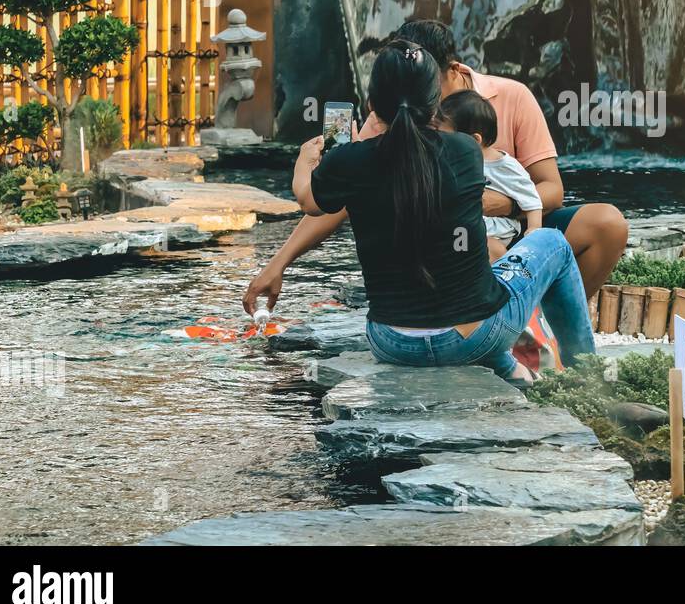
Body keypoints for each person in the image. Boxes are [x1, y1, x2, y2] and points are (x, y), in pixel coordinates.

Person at [244, 19, 628, 311]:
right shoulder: (394, 113)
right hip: (446, 244)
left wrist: (504, 204)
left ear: (452, 69)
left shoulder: (511, 96)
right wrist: (279, 263)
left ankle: (537, 317)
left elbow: (552, 189)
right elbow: (340, 197)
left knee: (606, 223)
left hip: (519, 224)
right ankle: (507, 322)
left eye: (426, 78)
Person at [287, 39, 594, 386]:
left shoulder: (349, 161)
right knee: (553, 242)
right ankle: (587, 376)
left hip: (392, 343)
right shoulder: (464, 149)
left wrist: (306, 163)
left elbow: (308, 201)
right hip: (472, 335)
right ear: (435, 104)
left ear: (372, 105)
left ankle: (511, 369)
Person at [437, 89, 543, 248]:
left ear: (473, 140)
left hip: (499, 227)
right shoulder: (451, 159)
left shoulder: (504, 166)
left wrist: (534, 228)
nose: (438, 140)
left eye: (444, 136)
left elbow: (531, 199)